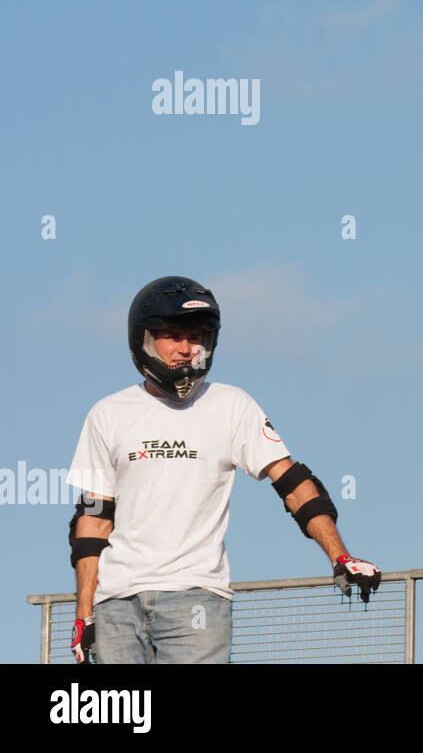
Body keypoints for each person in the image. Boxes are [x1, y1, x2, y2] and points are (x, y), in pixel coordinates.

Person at [67, 276, 381, 664]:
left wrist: (340, 555)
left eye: (196, 337)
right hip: (115, 603)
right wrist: (85, 613)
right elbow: (93, 521)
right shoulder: (108, 414)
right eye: (173, 336)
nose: (186, 349)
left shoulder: (231, 406)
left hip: (196, 597)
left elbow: (293, 482)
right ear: (144, 339)